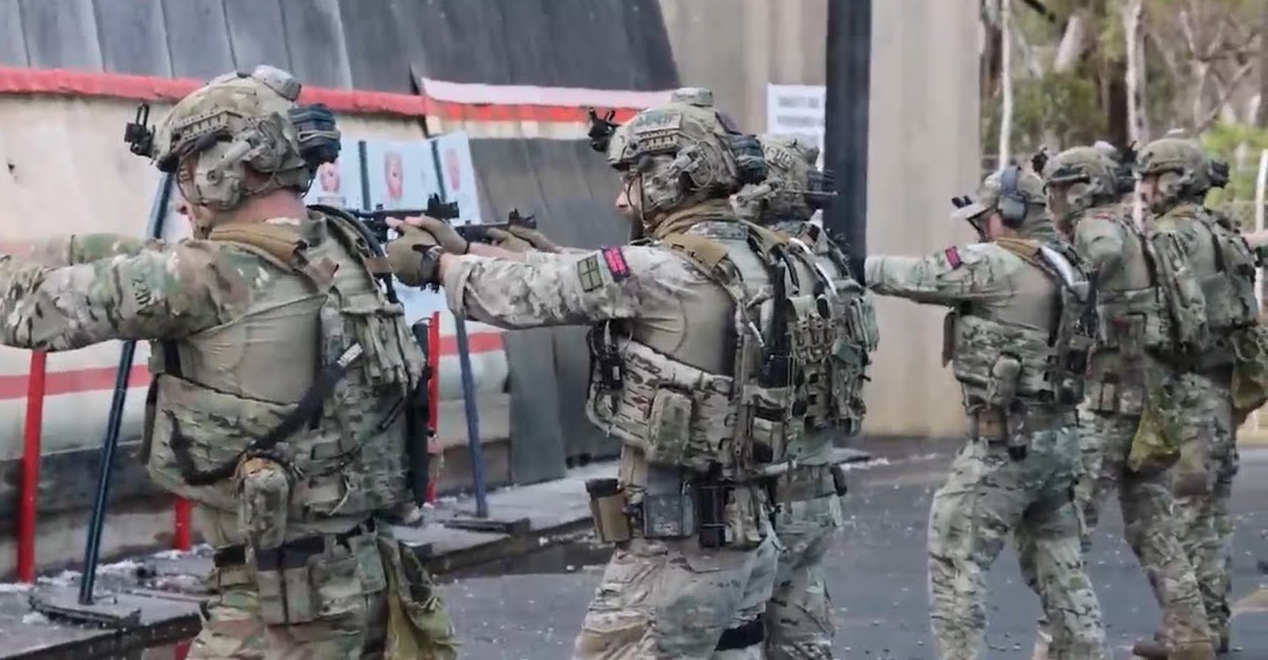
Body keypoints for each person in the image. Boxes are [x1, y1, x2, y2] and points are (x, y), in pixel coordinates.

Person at [0, 66, 456, 659]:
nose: (184, 197)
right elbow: (169, 261)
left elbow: (27, 310)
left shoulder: (207, 278)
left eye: (186, 169)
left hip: (280, 613)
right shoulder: (343, 246)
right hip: (372, 583)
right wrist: (67, 249)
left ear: (232, 165)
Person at [384, 96, 831, 659]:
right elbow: (607, 275)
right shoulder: (771, 256)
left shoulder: (661, 269)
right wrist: (480, 249)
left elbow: (546, 294)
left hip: (676, 553)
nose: (623, 197)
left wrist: (435, 264)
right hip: (748, 535)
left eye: (633, 179)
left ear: (671, 176)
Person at [847, 165, 1107, 660]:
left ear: (1009, 213)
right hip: (1060, 439)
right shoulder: (1066, 263)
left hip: (1007, 444)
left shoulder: (998, 264)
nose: (981, 226)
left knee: (954, 553)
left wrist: (853, 264)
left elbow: (919, 276)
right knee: (1062, 567)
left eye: (986, 216)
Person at [1040, 145, 1215, 660]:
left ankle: (1059, 647)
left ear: (1080, 190)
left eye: (1056, 189)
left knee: (1066, 528)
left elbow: (1098, 260)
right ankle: (1191, 632)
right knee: (1152, 522)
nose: (1050, 202)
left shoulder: (1099, 228)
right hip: (1144, 401)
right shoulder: (1137, 229)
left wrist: (1062, 272)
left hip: (1108, 407)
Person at [730, 134, 878, 659]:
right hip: (815, 489)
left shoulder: (766, 268)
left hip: (769, 496)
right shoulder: (828, 263)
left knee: (735, 636)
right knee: (802, 637)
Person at [1136, 137, 1260, 654]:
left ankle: (1186, 634)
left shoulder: (1168, 237)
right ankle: (1213, 626)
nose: (1144, 189)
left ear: (1175, 180)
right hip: (1221, 393)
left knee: (1180, 520)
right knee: (1209, 518)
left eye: (1152, 178)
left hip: (1184, 392)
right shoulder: (1221, 234)